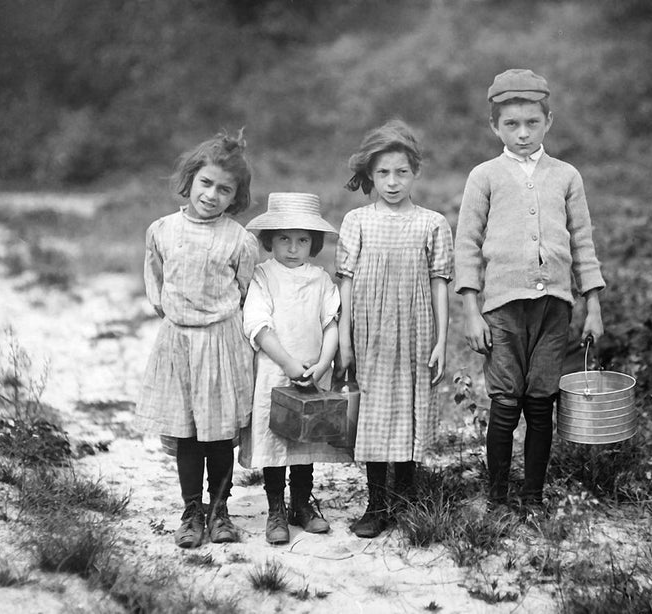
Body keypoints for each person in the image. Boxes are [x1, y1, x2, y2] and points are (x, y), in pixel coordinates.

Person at [454, 68, 606, 518]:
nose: (522, 134)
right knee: (506, 401)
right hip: (501, 309)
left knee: (542, 402)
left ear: (548, 121)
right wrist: (471, 310)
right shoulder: (484, 176)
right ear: (494, 127)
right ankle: (498, 498)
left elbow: (582, 242)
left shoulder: (566, 176)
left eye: (532, 123)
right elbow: (466, 244)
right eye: (511, 125)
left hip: (554, 309)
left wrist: (592, 305)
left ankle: (533, 497)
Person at [136, 129, 258, 548]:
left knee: (218, 433)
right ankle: (192, 511)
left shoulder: (239, 239)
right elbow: (155, 276)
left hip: (221, 343)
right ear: (189, 180)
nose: (212, 195)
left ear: (235, 197)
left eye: (225, 190)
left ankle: (220, 509)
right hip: (178, 344)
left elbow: (243, 290)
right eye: (206, 183)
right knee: (187, 432)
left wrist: (217, 323)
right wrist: (171, 313)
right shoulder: (162, 230)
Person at [337, 120, 454, 538]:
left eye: (401, 172)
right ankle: (376, 503)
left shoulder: (433, 223)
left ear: (415, 172)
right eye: (383, 173)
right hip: (370, 329)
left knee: (408, 408)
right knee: (373, 410)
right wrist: (345, 338)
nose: (392, 182)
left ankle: (405, 501)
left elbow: (440, 282)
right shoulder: (357, 221)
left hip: (416, 326)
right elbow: (346, 282)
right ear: (370, 174)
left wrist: (442, 338)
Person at [239, 192, 351, 545]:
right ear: (269, 240)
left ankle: (301, 504)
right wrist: (288, 362)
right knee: (277, 438)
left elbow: (332, 321)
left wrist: (322, 364)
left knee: (306, 438)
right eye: (284, 239)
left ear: (313, 243)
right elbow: (258, 324)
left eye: (302, 240)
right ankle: (275, 508)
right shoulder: (263, 276)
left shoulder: (320, 280)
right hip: (277, 368)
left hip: (313, 371)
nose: (292, 248)